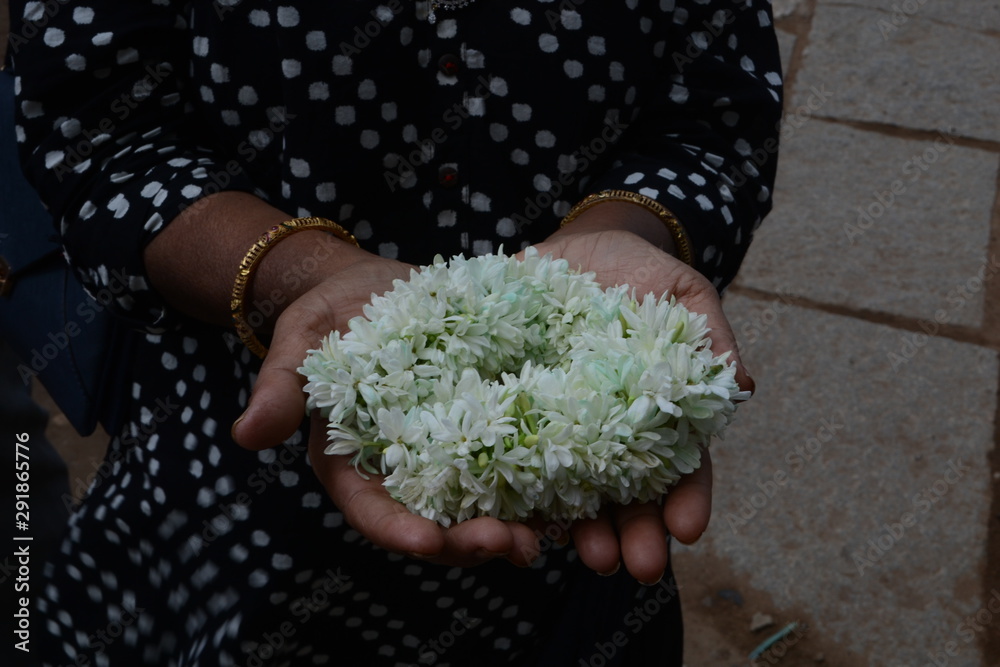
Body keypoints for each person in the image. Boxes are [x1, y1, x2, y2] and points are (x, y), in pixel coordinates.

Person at [11, 1, 781, 665]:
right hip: (231, 476)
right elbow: (97, 131)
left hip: (572, 546)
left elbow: (717, 118)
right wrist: (296, 273)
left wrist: (620, 240)